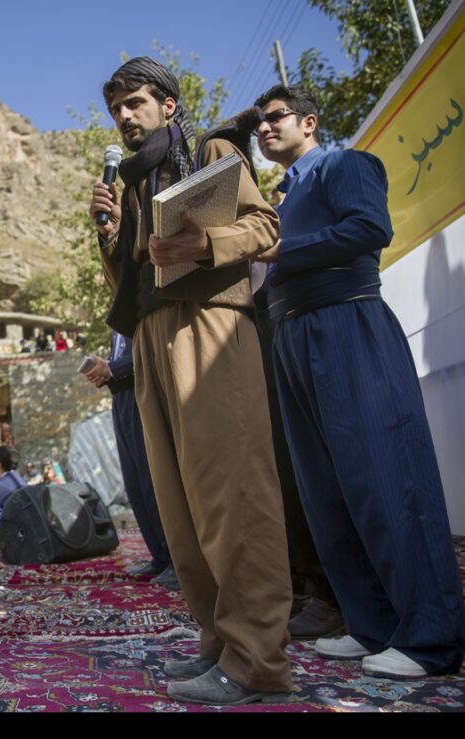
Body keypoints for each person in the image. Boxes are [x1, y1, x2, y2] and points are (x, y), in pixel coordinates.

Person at [89, 57, 291, 704]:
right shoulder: (132, 183)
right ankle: (218, 646)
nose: (124, 115)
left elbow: (265, 227)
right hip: (149, 336)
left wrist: (205, 248)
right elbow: (129, 283)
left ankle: (259, 660)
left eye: (136, 102)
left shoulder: (208, 151)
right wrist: (114, 236)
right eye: (116, 106)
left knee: (234, 494)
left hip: (209, 327)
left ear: (169, 106)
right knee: (182, 509)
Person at [254, 84, 465, 679]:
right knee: (328, 492)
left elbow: (370, 228)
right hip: (294, 341)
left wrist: (281, 250)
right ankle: (371, 624)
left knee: (386, 478)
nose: (265, 129)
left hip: (346, 325)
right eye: (260, 124)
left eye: (275, 118)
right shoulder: (284, 196)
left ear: (309, 121)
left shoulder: (346, 164)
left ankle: (432, 637)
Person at [82, 333, 175, 587]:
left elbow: (152, 353)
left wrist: (112, 367)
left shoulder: (138, 312)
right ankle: (159, 555)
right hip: (121, 400)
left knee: (151, 480)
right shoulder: (116, 329)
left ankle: (176, 560)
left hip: (141, 397)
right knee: (134, 484)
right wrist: (105, 372)